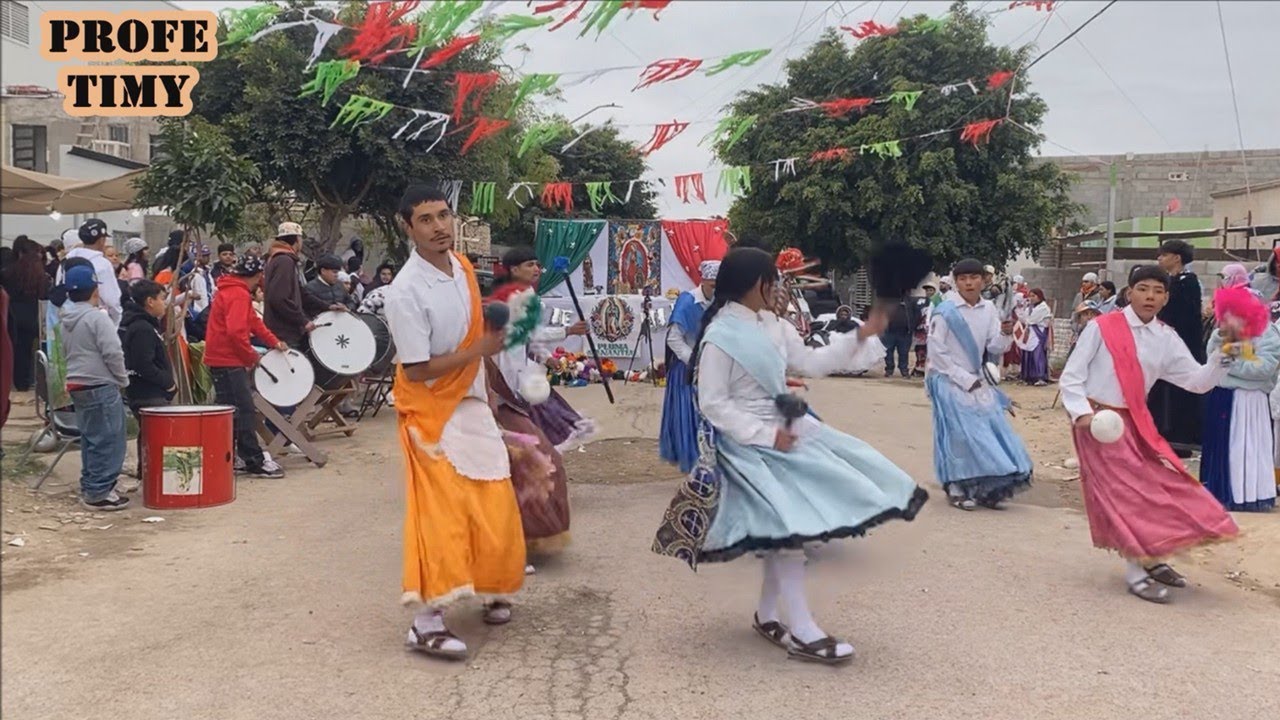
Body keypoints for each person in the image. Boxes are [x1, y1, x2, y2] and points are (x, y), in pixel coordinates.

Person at [651, 247, 927, 664]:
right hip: (749, 448)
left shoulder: (773, 326)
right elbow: (712, 404)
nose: (779, 287)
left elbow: (811, 362)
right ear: (754, 284)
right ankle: (801, 630)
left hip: (790, 437)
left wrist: (861, 335)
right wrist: (763, 434)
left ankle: (768, 616)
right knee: (788, 533)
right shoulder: (720, 336)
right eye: (772, 279)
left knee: (788, 531)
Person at [383, 184, 525, 659]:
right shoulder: (404, 291)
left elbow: (474, 337)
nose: (439, 226)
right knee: (440, 516)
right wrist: (477, 350)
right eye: (426, 219)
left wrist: (490, 380)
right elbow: (418, 368)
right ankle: (426, 622)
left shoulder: (463, 266)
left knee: (494, 499)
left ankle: (491, 585)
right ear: (409, 227)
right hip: (429, 410)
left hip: (472, 403)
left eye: (443, 215)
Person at [1058, 265, 1240, 603]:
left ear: (1167, 297)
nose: (1150, 296)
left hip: (1136, 424)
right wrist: (1082, 415)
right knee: (1129, 495)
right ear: (1129, 293)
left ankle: (1153, 558)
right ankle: (1137, 571)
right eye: (1143, 288)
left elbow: (1197, 382)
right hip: (1099, 425)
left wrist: (1223, 357)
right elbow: (1071, 377)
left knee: (1161, 487)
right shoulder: (1101, 328)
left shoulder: (1165, 337)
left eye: (1158, 290)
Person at [485, 247, 593, 565]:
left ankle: (526, 537)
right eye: (531, 264)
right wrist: (568, 331)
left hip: (518, 389)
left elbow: (530, 342)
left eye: (538, 264)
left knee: (537, 464)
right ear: (513, 268)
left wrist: (549, 359)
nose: (537, 269)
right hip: (500, 390)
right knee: (530, 465)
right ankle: (511, 544)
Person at [927, 258, 1033, 510]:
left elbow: (994, 346)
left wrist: (1006, 334)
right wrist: (964, 379)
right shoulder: (945, 310)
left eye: (973, 278)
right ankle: (956, 485)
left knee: (987, 430)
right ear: (955, 281)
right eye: (962, 279)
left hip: (975, 376)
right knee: (958, 433)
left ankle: (984, 487)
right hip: (946, 377)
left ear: (983, 280)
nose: (968, 283)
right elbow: (937, 353)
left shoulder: (988, 310)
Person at [203, 255, 288, 479]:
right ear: (259, 275)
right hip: (228, 360)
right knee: (243, 409)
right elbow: (237, 332)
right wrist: (251, 356)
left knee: (232, 410)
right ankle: (253, 460)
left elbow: (253, 323)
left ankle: (234, 456)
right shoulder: (238, 294)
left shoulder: (230, 290)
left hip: (223, 359)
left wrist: (273, 341)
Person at [59, 265, 130, 510]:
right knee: (110, 440)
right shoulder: (96, 318)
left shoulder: (66, 319)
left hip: (77, 384)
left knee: (91, 438)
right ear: (95, 291)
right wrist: (123, 380)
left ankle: (91, 485)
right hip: (100, 384)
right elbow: (113, 352)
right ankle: (99, 492)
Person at [1200, 316, 1280, 512]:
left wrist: (1228, 364)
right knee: (1227, 446)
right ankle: (1222, 491)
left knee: (1249, 446)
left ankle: (1250, 494)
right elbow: (1212, 354)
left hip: (1252, 400)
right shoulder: (1228, 328)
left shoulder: (1266, 331)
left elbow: (1264, 368)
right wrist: (1221, 340)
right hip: (1223, 397)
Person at [660, 260, 719, 473]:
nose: (716, 289)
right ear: (703, 281)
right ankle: (693, 462)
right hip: (687, 368)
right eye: (712, 285)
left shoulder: (721, 302)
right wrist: (695, 362)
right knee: (690, 416)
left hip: (711, 366)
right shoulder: (687, 302)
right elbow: (673, 339)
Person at [1149, 240, 1205, 457]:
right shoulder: (1166, 282)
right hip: (1162, 345)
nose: (1160, 259)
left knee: (1180, 393)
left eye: (1164, 255)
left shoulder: (1187, 283)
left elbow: (1187, 318)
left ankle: (1181, 439)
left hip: (1182, 346)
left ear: (1177, 258)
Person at [119, 280, 177, 478]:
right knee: (156, 435)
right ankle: (153, 475)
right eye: (162, 299)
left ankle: (147, 472)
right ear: (150, 301)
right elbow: (143, 364)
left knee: (148, 434)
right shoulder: (141, 328)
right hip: (147, 392)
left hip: (149, 390)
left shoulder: (145, 325)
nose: (165, 303)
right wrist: (167, 382)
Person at [263, 222, 331, 350]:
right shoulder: (284, 261)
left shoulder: (278, 259)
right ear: (297, 240)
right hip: (284, 331)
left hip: (283, 329)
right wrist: (303, 321)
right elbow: (279, 298)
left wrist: (328, 306)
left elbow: (300, 292)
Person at [2, 236, 50, 392]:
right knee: (30, 350)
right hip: (33, 315)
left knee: (13, 349)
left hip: (12, 314)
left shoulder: (8, 273)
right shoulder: (41, 276)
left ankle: (13, 381)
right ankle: (26, 382)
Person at [57, 219, 123, 326]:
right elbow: (112, 300)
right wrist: (116, 321)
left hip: (68, 319)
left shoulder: (66, 261)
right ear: (101, 240)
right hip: (96, 321)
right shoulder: (103, 264)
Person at [1018, 288, 1053, 386]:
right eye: (1030, 296)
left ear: (1039, 296)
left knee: (1038, 355)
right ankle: (1028, 377)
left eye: (1034, 296)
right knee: (1028, 354)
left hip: (1038, 333)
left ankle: (1040, 376)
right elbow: (1023, 318)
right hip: (1029, 333)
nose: (1031, 298)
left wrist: (1026, 319)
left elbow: (1031, 320)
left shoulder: (1043, 307)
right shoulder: (1030, 307)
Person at [880, 297, 914, 378]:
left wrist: (912, 327)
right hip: (889, 332)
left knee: (904, 352)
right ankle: (889, 370)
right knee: (888, 352)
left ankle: (904, 370)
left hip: (904, 333)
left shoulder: (910, 302)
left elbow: (916, 314)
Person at [1070, 272, 1102, 338]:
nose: (1083, 284)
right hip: (1077, 328)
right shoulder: (1079, 295)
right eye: (1083, 282)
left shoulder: (1098, 296)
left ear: (1093, 283)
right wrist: (1074, 325)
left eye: (1086, 282)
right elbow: (1074, 311)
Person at [908, 289, 931, 377]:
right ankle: (919, 367)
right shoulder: (919, 302)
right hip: (920, 331)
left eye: (931, 290)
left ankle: (927, 369)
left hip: (932, 331)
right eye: (928, 290)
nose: (929, 292)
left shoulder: (937, 301)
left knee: (930, 351)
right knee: (920, 350)